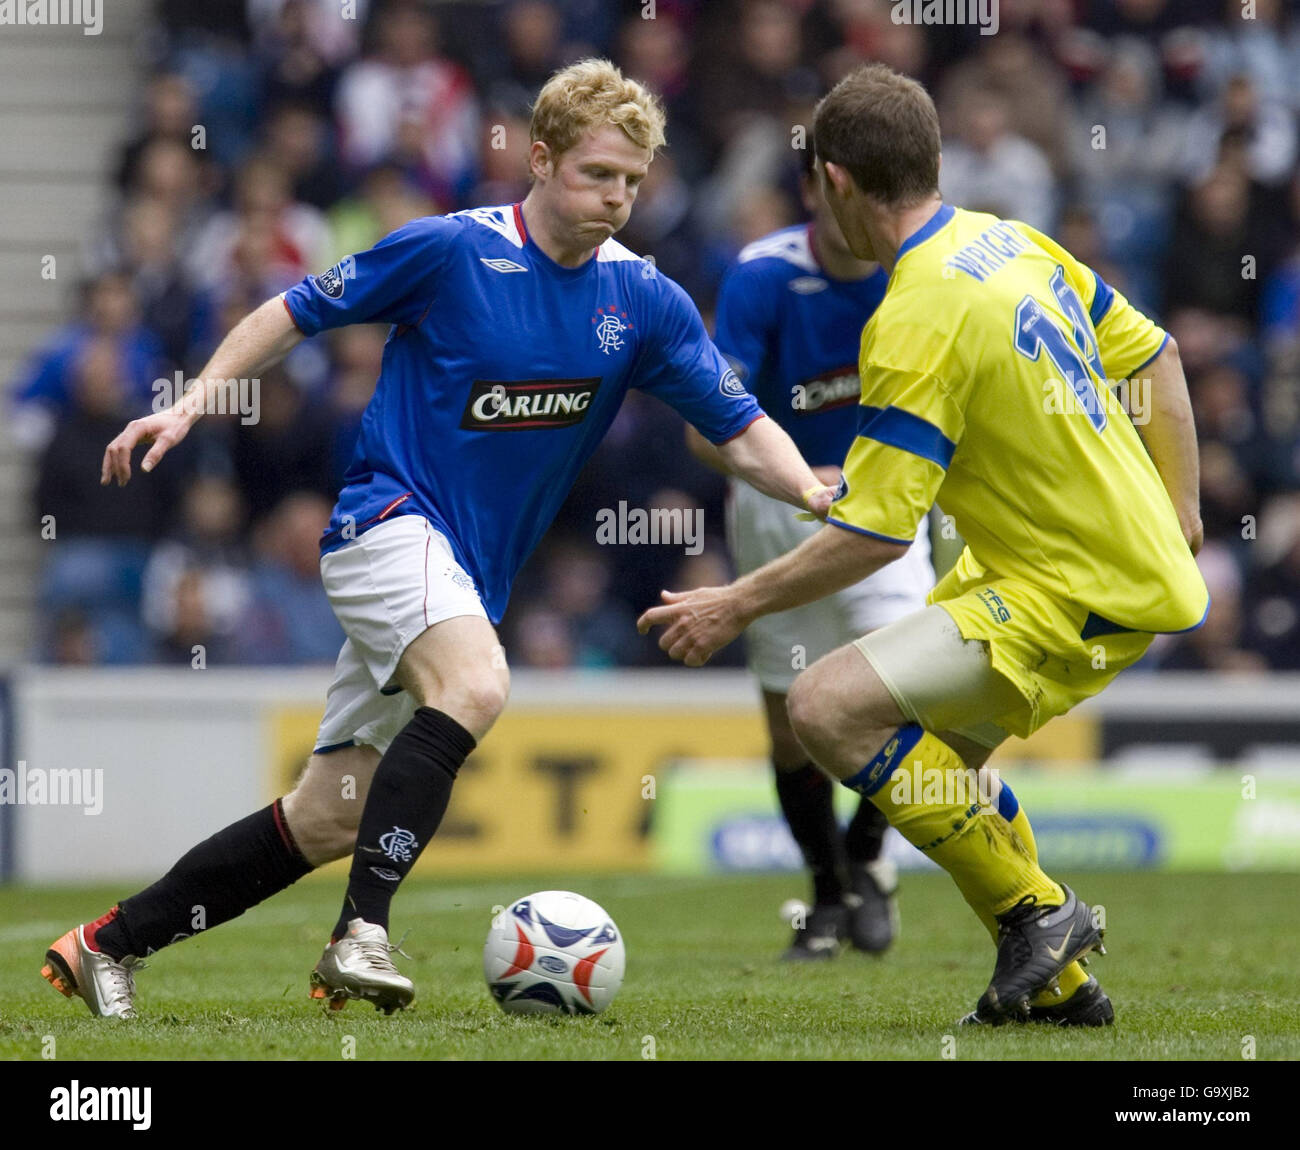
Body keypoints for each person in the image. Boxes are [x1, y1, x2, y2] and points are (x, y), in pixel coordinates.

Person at [41, 59, 836, 1020]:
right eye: (597, 175)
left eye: (633, 180)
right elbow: (295, 310)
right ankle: (361, 935)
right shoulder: (452, 251)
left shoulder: (645, 301)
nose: (617, 198)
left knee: (329, 815)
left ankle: (104, 945)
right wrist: (195, 401)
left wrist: (808, 488)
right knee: (478, 685)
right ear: (539, 160)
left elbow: (737, 422)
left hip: (466, 572)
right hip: (386, 524)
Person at [640, 64, 1207, 1027]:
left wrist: (732, 605)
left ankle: (1038, 910)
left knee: (824, 708)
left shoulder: (914, 313)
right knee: (948, 767)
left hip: (1058, 589)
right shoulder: (1010, 239)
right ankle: (1063, 990)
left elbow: (873, 532)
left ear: (836, 181)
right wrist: (1183, 516)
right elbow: (1159, 353)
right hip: (1113, 572)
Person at [687, 149, 933, 960]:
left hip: (885, 511)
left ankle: (864, 859)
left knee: (910, 694)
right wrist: (802, 477)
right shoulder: (762, 277)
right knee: (789, 722)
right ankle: (827, 897)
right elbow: (709, 424)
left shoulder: (923, 271)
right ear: (816, 191)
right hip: (776, 514)